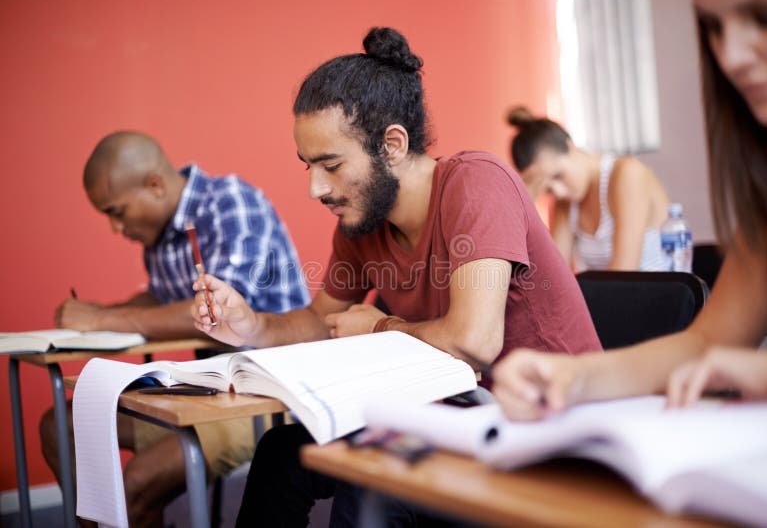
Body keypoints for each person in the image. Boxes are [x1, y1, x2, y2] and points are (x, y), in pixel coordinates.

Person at [191, 27, 601, 526]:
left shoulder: (476, 183)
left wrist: (380, 328)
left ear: (392, 144)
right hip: (459, 415)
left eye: (332, 165)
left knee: (372, 484)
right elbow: (323, 321)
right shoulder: (363, 219)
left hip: (550, 430)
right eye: (308, 167)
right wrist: (251, 326)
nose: (315, 188)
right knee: (283, 454)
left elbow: (475, 342)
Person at [493, 0, 767, 422]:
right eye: (712, 27)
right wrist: (574, 375)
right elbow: (704, 344)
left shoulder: (625, 175)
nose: (732, 57)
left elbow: (617, 279)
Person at [38, 131, 310, 527]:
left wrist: (101, 320)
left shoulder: (229, 201)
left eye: (117, 211)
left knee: (136, 484)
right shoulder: (160, 235)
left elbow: (216, 315)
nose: (116, 228)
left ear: (154, 184)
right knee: (58, 425)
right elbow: (164, 300)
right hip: (206, 388)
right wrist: (103, 311)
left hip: (268, 394)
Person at [506, 107, 670, 271]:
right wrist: (527, 204)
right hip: (611, 296)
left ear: (570, 146)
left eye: (558, 176)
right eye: (547, 189)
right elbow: (549, 276)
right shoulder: (567, 202)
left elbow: (624, 274)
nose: (559, 192)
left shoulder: (628, 173)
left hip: (659, 294)